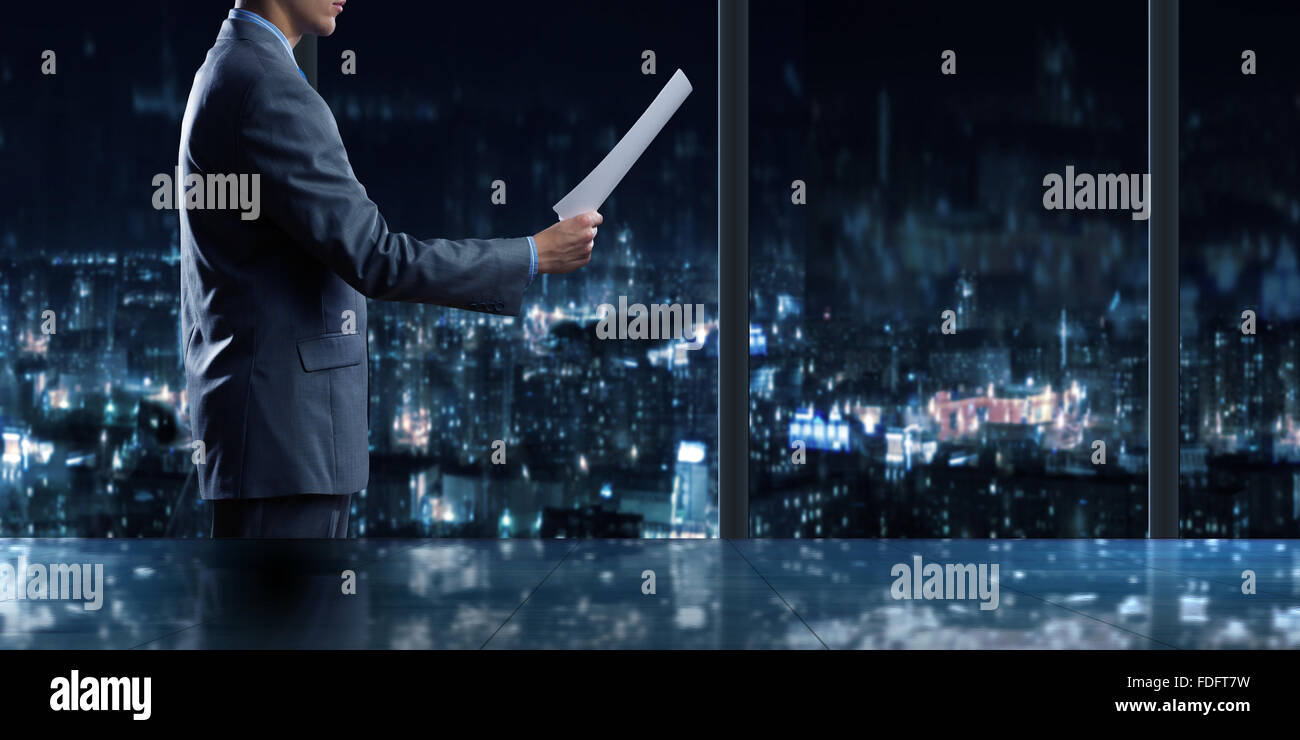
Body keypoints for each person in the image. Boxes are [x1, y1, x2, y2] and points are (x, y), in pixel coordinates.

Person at [179, 0, 600, 537]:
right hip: (286, 445)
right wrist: (533, 255)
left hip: (269, 440)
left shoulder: (227, 68)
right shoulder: (267, 86)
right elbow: (377, 258)